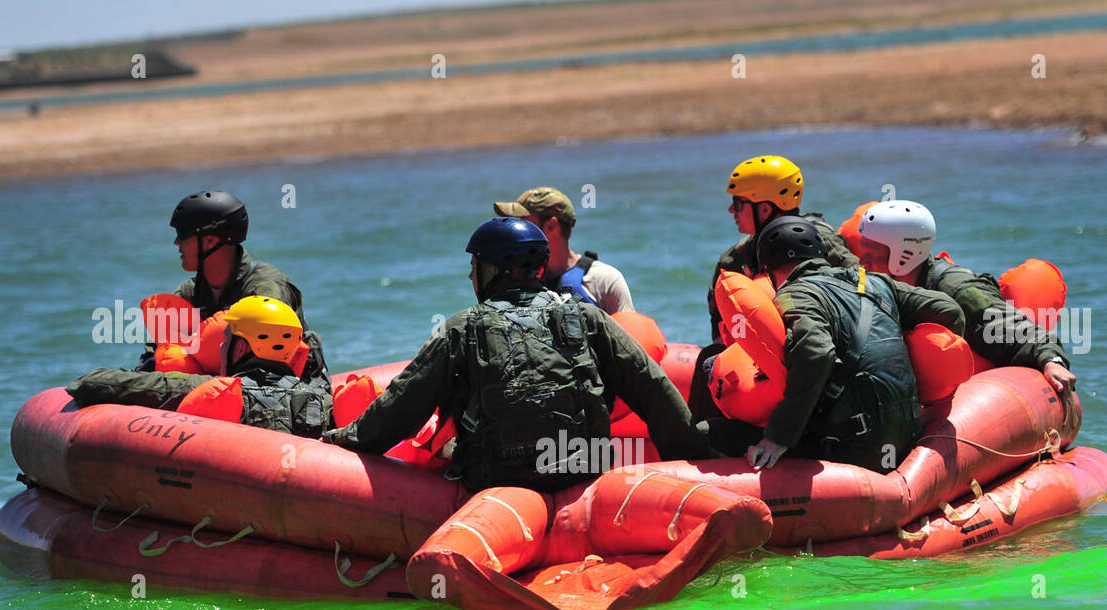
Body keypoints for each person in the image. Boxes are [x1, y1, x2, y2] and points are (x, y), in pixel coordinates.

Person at [322, 218, 712, 492]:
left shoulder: (464, 326)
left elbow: (406, 401)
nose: (470, 277)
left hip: (498, 474)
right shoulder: (586, 316)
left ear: (494, 270)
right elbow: (651, 386)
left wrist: (348, 440)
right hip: (582, 467)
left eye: (475, 267)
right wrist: (696, 455)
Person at [739, 216, 965, 472]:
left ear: (768, 270)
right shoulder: (873, 281)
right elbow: (950, 310)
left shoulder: (796, 294)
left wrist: (778, 437)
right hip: (910, 431)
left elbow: (816, 353)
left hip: (855, 447)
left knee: (715, 432)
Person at [851, 200, 1077, 399]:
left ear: (903, 255)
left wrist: (1051, 360)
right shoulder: (875, 279)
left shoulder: (957, 290)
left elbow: (1009, 327)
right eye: (863, 254)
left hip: (978, 385)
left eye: (873, 257)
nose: (863, 264)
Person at [691, 155, 858, 422]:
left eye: (738, 203)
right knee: (710, 360)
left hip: (819, 349)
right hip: (760, 359)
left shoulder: (820, 241)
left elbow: (858, 291)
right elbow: (721, 335)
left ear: (766, 209)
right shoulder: (733, 260)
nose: (731, 211)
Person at [138, 190, 330, 391]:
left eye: (183, 234)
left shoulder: (266, 287)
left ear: (211, 241)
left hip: (278, 391)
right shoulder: (190, 292)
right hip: (211, 392)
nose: (176, 243)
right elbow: (160, 348)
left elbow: (269, 361)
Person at [70, 296, 331, 438]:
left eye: (225, 339)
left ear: (241, 348)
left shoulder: (205, 389)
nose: (219, 347)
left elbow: (93, 384)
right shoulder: (323, 400)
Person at [492, 187, 634, 313]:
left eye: (523, 221)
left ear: (551, 226)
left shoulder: (605, 281)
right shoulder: (513, 280)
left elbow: (629, 337)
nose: (515, 228)